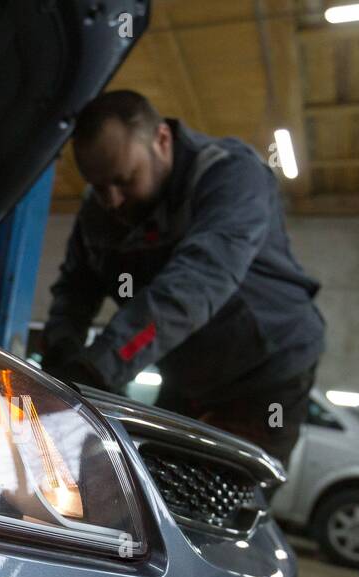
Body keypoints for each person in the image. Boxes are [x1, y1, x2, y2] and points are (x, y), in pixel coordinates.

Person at [41, 90, 325, 464]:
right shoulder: (100, 213)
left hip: (264, 375)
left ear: (161, 140)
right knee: (146, 487)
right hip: (187, 376)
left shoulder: (231, 175)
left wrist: (97, 368)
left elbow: (197, 282)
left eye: (124, 181)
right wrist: (61, 357)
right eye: (99, 186)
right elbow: (75, 291)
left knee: (221, 501)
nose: (112, 201)